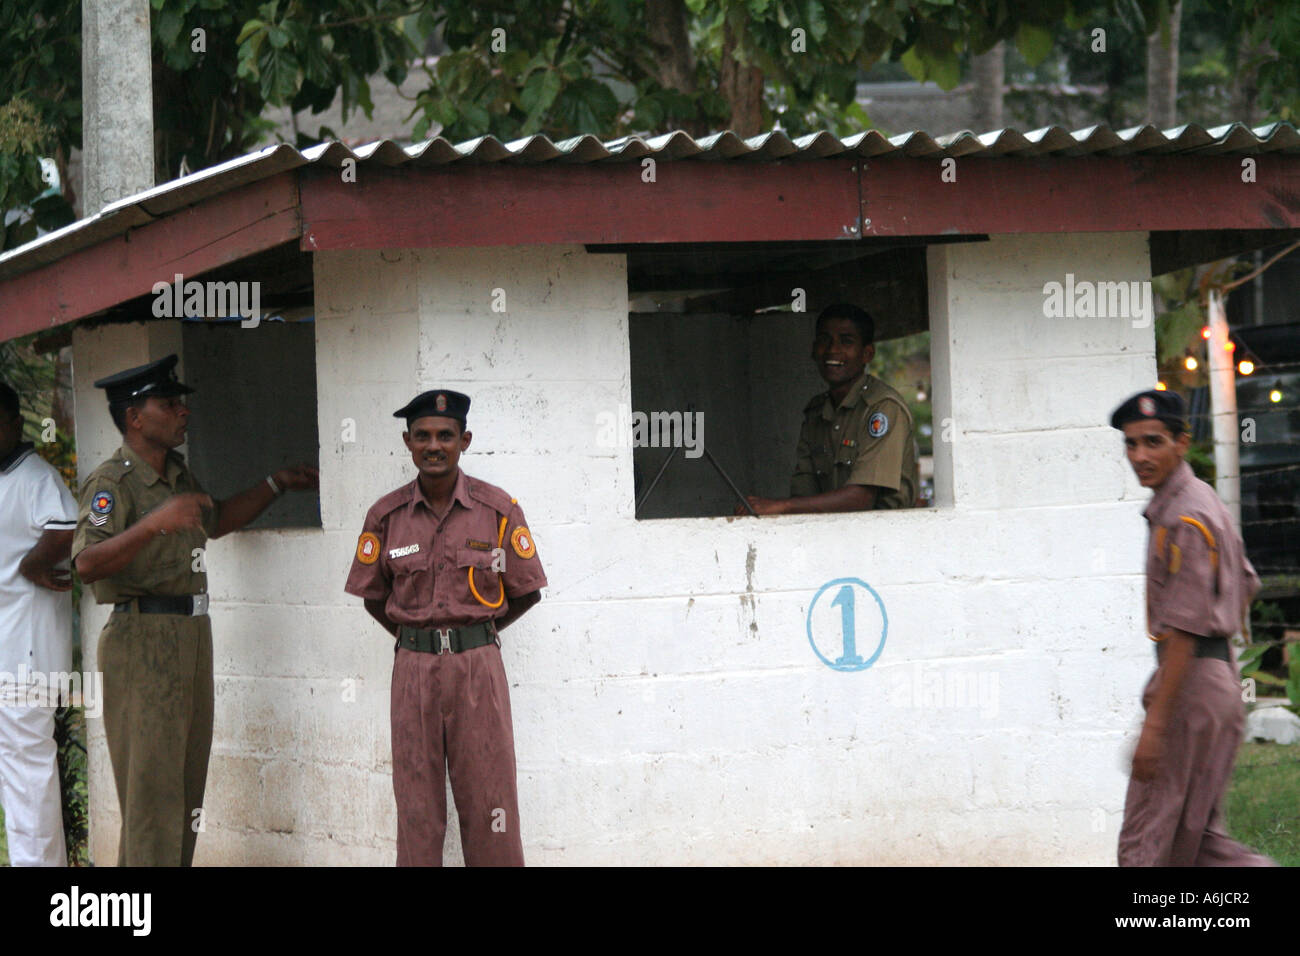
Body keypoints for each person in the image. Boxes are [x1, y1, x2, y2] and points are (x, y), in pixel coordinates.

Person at [72, 354, 318, 866]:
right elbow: (87, 563)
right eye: (169, 403)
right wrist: (152, 524)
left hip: (190, 634)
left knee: (185, 792)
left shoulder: (178, 474)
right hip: (140, 640)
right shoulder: (112, 484)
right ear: (135, 417)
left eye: (181, 402)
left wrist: (276, 483)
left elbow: (219, 519)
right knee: (150, 796)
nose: (183, 411)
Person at [345, 389, 546, 866]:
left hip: (478, 669)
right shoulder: (385, 516)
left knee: (491, 802)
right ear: (407, 442)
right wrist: (419, 638)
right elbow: (375, 597)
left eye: (445, 436)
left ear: (465, 440)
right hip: (413, 672)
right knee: (417, 806)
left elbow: (526, 591)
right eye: (422, 436)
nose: (433, 446)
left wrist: (470, 636)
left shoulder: (497, 511)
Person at [1111, 388, 1274, 867]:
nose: (1140, 456)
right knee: (1198, 844)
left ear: (1183, 442)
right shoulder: (1199, 499)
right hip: (1214, 685)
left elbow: (1184, 629)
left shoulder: (1184, 516)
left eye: (1153, 442)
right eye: (1131, 443)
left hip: (1190, 687)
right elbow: (1248, 584)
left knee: (1146, 846)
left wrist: (1156, 727)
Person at [738, 303, 919, 515]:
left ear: (867, 354)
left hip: (884, 540)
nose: (833, 350)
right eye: (825, 340)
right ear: (814, 349)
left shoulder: (882, 409)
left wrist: (780, 506)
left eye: (846, 341)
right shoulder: (817, 412)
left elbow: (861, 499)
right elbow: (804, 496)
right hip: (831, 538)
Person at [0, 382, 77, 866]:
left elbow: (67, 524)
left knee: (29, 771)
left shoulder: (35, 476)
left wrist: (33, 565)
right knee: (17, 771)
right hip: (8, 651)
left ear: (11, 423)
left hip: (27, 658)